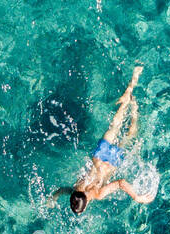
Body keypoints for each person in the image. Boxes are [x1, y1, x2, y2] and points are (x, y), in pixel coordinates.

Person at [52, 64, 155, 213]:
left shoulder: (98, 194)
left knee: (130, 136)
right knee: (115, 125)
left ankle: (135, 109)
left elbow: (121, 183)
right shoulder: (76, 188)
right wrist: (53, 197)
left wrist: (137, 197)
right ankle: (130, 88)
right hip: (99, 156)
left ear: (86, 205)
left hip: (112, 162)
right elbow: (63, 190)